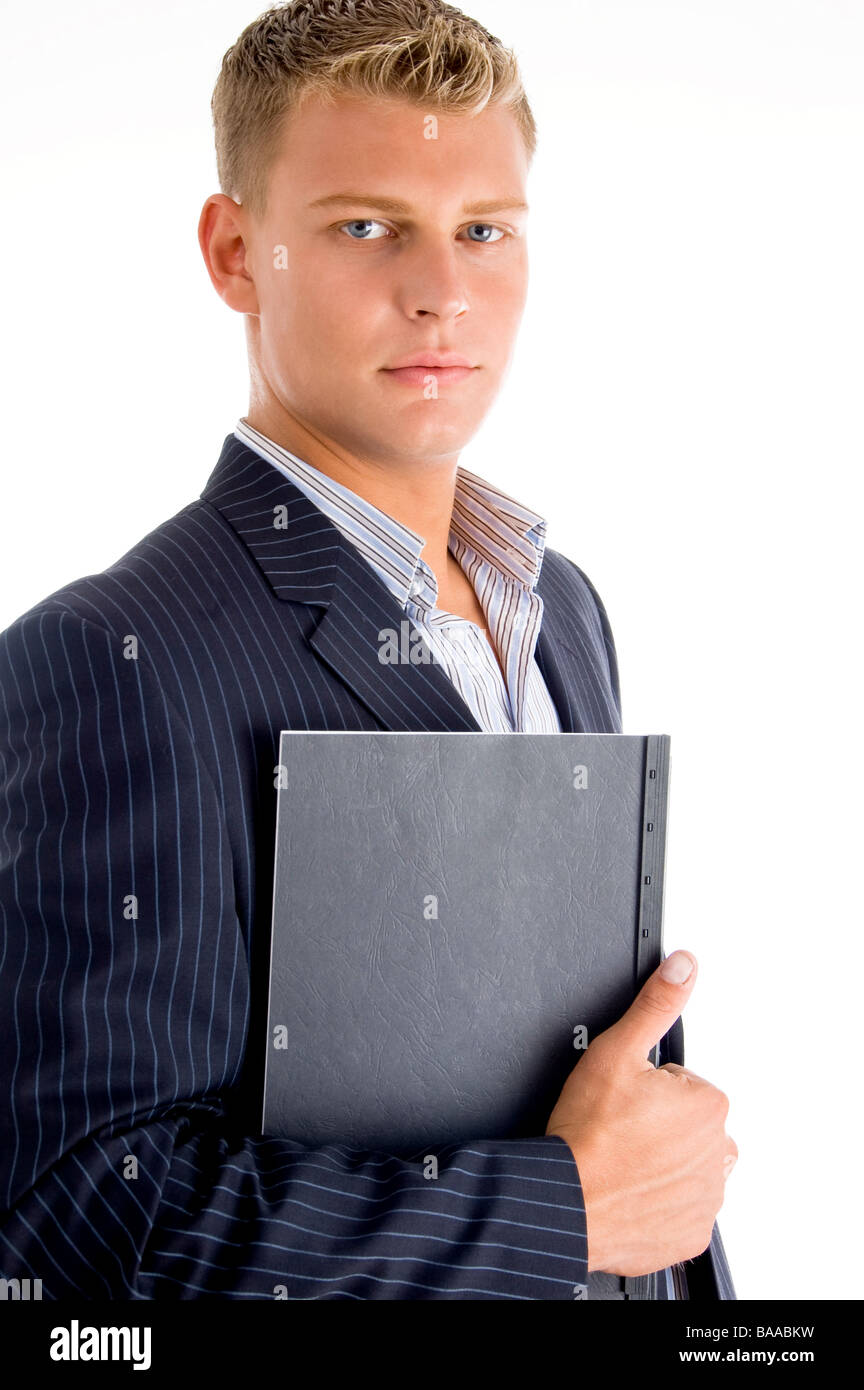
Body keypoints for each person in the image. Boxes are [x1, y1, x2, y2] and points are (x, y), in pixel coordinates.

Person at [0, 0, 736, 1299]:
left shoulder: (559, 607)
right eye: (365, 226)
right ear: (235, 252)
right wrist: (559, 1213)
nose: (441, 289)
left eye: (483, 230)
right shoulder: (111, 660)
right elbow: (78, 1219)